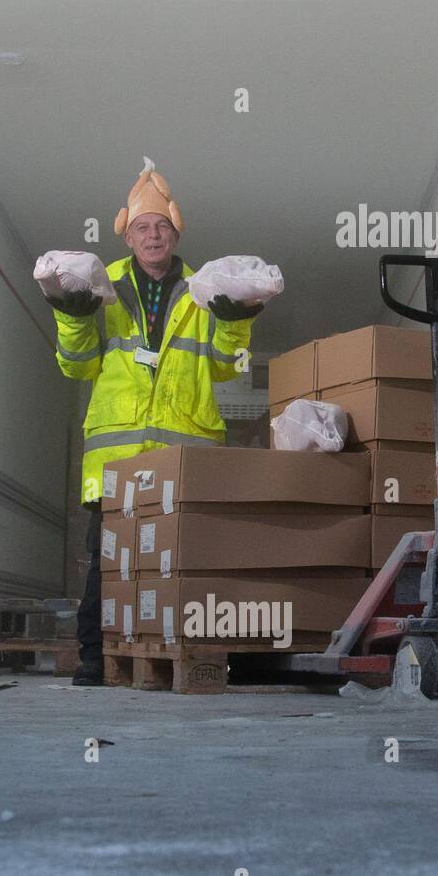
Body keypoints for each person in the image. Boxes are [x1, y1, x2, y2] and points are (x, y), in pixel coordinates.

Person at [46, 162, 264, 686]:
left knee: (187, 564)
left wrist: (236, 325)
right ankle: (98, 660)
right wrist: (73, 317)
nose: (152, 235)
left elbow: (223, 366)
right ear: (126, 232)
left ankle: (189, 655)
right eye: (142, 227)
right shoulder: (101, 285)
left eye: (161, 227)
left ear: (175, 231)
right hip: (116, 455)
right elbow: (78, 367)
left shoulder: (204, 288)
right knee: (107, 567)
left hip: (184, 454)